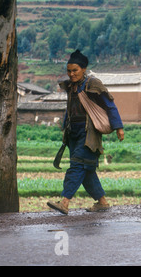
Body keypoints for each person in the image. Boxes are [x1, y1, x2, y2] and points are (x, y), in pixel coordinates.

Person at [47, 50, 124, 215]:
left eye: (75, 70)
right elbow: (70, 109)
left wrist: (119, 127)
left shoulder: (93, 84)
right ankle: (102, 202)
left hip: (89, 133)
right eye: (69, 71)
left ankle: (65, 202)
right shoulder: (71, 87)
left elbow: (110, 105)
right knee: (87, 170)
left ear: (84, 69)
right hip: (73, 133)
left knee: (76, 166)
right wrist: (64, 128)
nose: (71, 74)